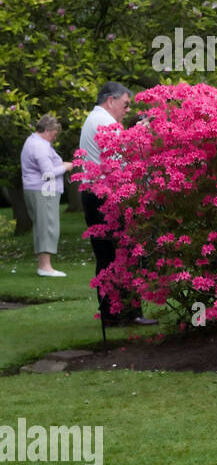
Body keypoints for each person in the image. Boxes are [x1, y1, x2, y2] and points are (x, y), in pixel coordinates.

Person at [78, 82, 156, 326]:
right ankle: (122, 313)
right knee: (118, 255)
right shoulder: (105, 122)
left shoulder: (96, 119)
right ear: (110, 100)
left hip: (96, 193)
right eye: (125, 104)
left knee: (109, 255)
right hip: (105, 195)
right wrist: (140, 134)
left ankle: (115, 314)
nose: (127, 109)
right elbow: (122, 158)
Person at [19, 114, 76, 277]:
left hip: (39, 189)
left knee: (43, 225)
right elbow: (48, 173)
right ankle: (45, 267)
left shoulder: (33, 142)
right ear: (47, 130)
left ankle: (44, 265)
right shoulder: (40, 146)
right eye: (54, 133)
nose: (54, 136)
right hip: (44, 190)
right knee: (47, 226)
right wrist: (66, 167)